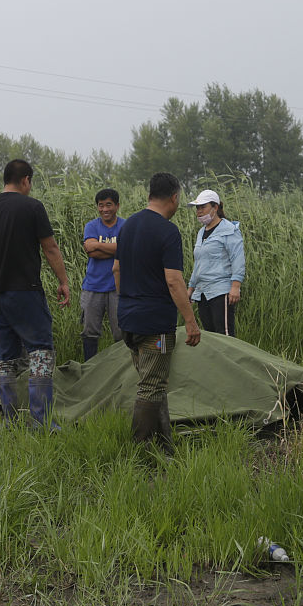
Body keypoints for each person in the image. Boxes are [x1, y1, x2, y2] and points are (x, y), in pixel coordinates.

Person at [0, 159, 71, 428]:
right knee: (40, 352)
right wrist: (63, 281)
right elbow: (50, 248)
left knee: (6, 358)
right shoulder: (32, 207)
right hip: (26, 293)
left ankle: (10, 419)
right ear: (25, 180)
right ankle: (42, 420)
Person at [113, 172, 201, 452]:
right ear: (174, 197)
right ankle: (140, 451)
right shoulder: (167, 231)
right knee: (150, 387)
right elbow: (174, 281)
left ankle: (163, 446)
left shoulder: (127, 226)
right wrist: (191, 322)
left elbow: (116, 270)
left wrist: (128, 300)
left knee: (154, 382)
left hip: (128, 319)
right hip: (154, 325)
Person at [186, 189, 245, 337]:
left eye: (203, 207)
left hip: (221, 291)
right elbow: (198, 263)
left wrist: (235, 286)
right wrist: (191, 288)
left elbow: (237, 258)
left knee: (224, 335)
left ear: (215, 207)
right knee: (210, 336)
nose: (199, 211)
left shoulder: (229, 230)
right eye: (197, 208)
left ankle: (230, 360)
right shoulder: (201, 232)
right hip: (203, 292)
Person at [80, 188, 125, 361]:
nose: (105, 209)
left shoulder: (125, 225)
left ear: (117, 206)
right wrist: (118, 250)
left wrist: (99, 246)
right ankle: (89, 368)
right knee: (89, 332)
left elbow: (127, 250)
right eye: (101, 205)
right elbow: (91, 251)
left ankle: (120, 369)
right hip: (92, 286)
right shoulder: (91, 226)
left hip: (118, 287)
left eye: (109, 205)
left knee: (121, 332)